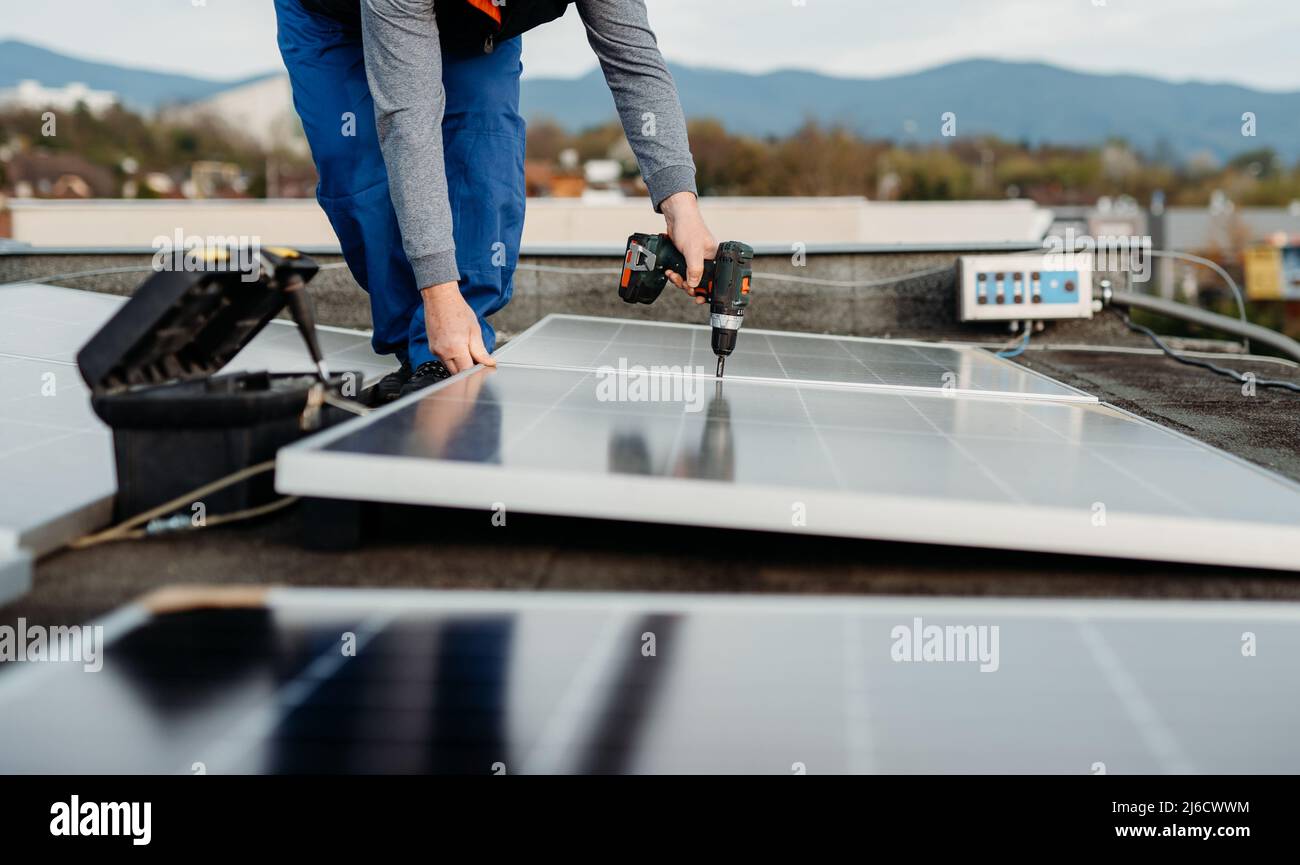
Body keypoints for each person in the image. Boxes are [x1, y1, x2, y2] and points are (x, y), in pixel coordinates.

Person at [275, 0, 718, 402]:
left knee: (483, 167)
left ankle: (445, 355)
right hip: (332, 17)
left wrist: (681, 205)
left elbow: (634, 63)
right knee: (360, 175)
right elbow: (408, 121)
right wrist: (438, 289)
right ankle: (426, 333)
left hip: (474, 27)